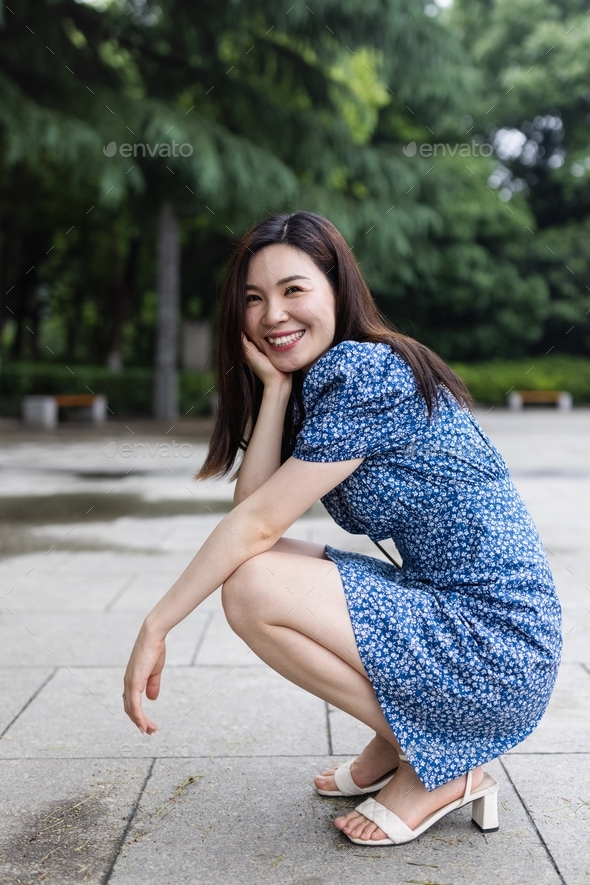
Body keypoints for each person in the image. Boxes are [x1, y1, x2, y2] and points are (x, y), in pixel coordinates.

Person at [123, 210, 562, 846]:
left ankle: (442, 765)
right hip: (455, 612)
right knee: (255, 569)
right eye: (254, 298)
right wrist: (275, 393)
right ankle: (402, 738)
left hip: (496, 646)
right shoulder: (324, 383)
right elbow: (254, 516)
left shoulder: (367, 374)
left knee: (251, 588)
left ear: (337, 290)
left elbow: (254, 526)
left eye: (293, 289)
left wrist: (157, 625)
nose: (272, 314)